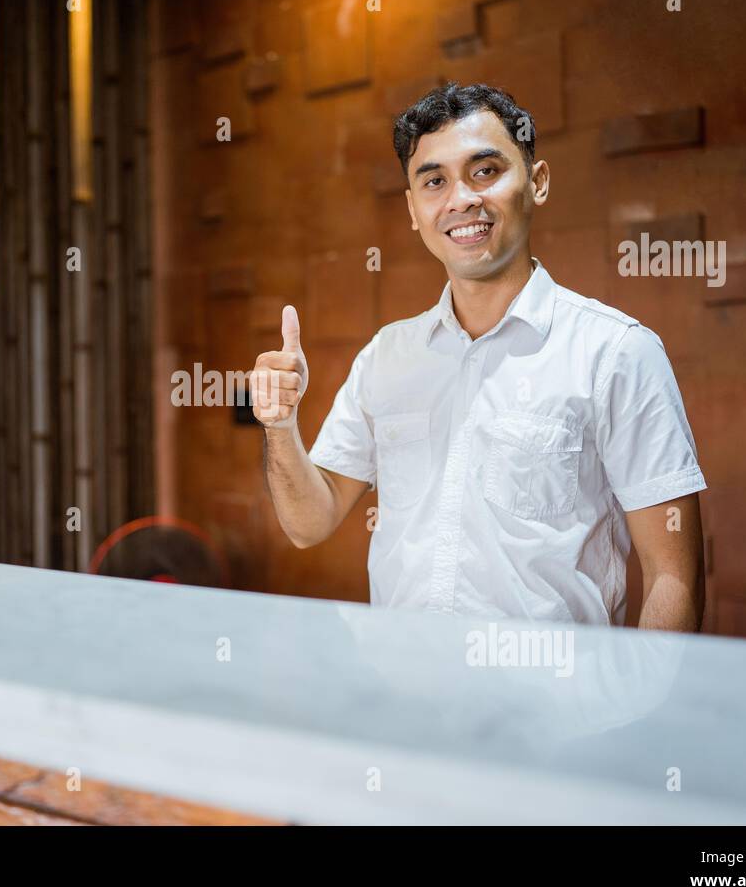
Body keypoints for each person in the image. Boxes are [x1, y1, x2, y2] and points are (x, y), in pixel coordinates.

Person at [249, 83, 706, 630]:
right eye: (434, 181)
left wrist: (643, 713)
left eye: (485, 171)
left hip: (557, 706)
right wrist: (280, 426)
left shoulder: (616, 352)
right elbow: (310, 521)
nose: (460, 199)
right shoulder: (386, 357)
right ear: (414, 210)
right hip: (407, 700)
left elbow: (672, 576)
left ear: (536, 183)